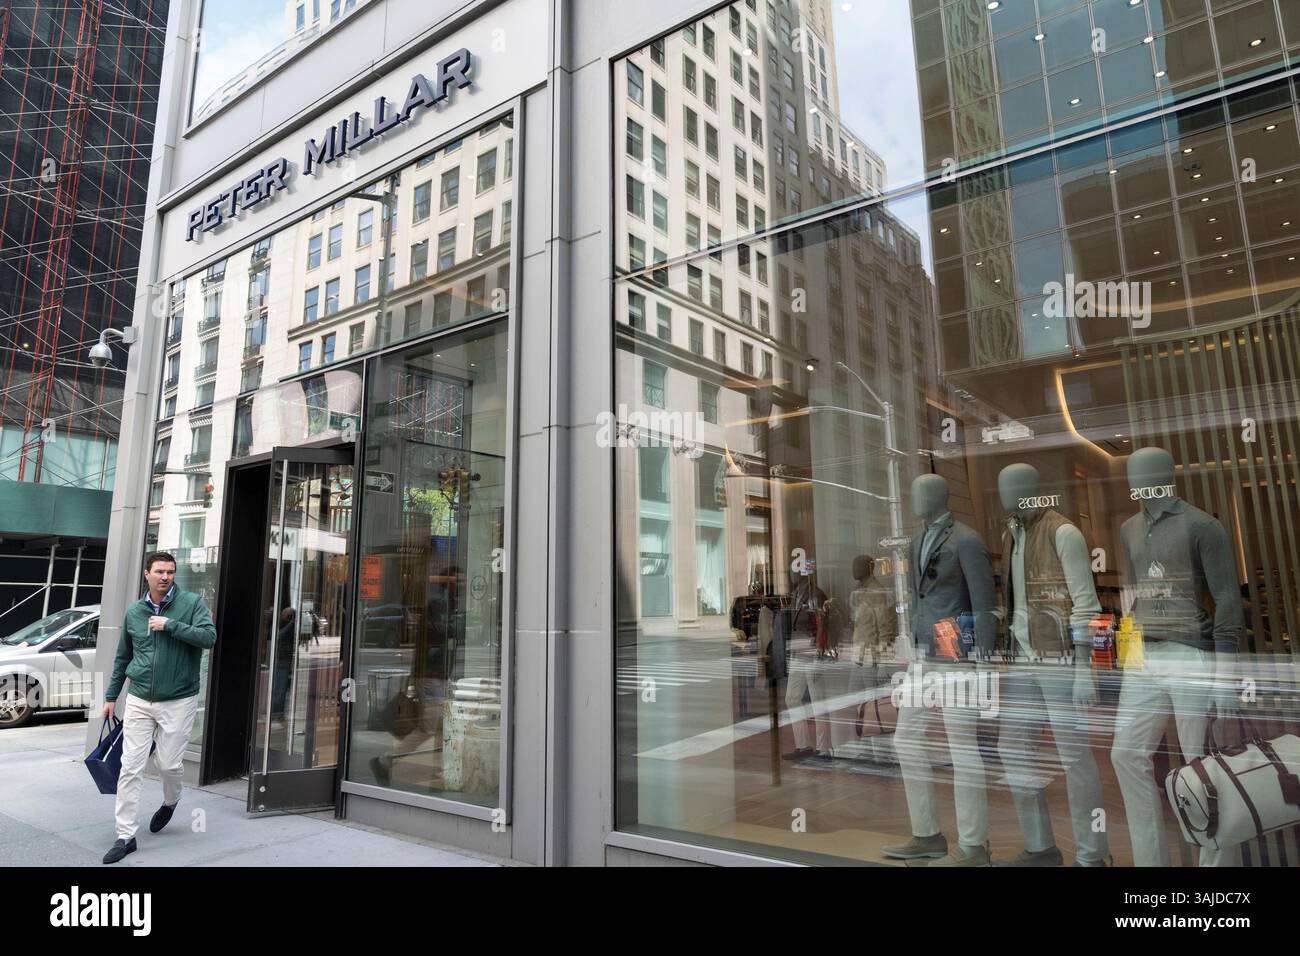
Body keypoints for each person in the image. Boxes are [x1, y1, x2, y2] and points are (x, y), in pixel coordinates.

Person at [100, 551, 217, 864]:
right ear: (146, 574)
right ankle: (125, 835)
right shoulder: (134, 612)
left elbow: (209, 638)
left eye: (170, 572)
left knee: (167, 765)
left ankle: (171, 800)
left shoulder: (191, 604)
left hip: (178, 698)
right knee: (130, 767)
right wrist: (111, 697)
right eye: (160, 572)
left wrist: (172, 625)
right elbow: (123, 656)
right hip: (139, 698)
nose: (166, 577)